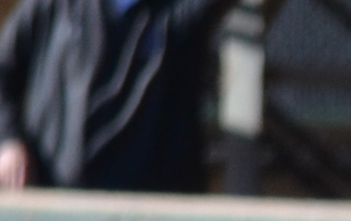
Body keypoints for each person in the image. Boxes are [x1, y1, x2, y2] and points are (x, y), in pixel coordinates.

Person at [0, 0, 238, 192]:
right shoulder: (55, 6)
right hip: (56, 200)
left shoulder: (178, 10)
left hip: (146, 214)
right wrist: (8, 139)